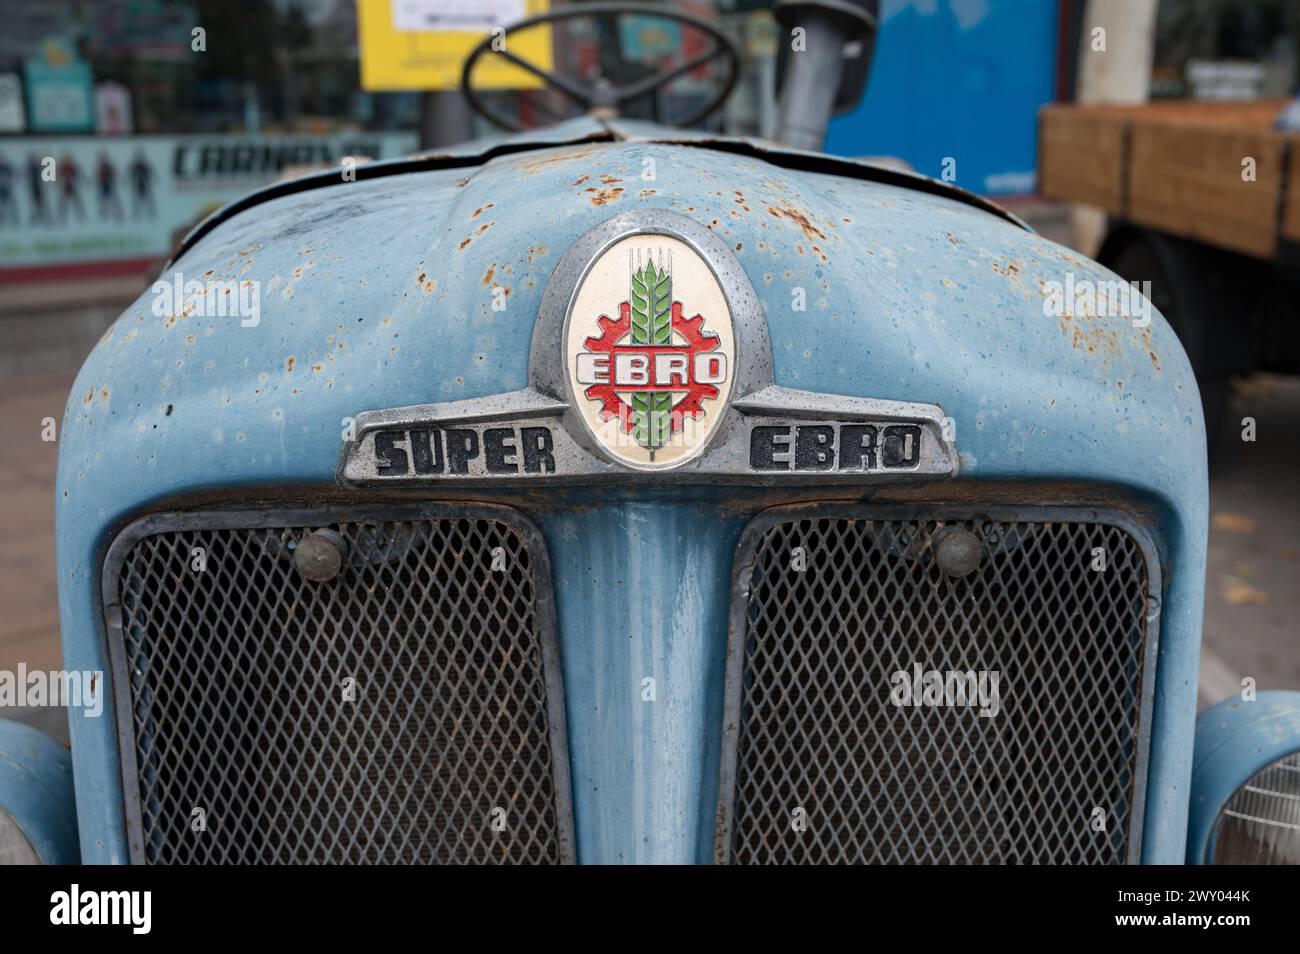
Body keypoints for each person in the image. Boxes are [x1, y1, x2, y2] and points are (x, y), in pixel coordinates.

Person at [129, 149, 155, 219]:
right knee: (136, 199)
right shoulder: (135, 166)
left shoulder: (144, 165)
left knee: (147, 199)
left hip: (144, 183)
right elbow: (131, 174)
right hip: (138, 184)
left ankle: (150, 213)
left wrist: (150, 180)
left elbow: (150, 173)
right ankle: (136, 214)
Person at [97, 151, 123, 221]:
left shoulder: (109, 165)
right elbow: (98, 175)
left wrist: (119, 178)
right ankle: (104, 213)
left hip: (109, 184)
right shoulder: (100, 166)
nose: (103, 159)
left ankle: (117, 214)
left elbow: (115, 172)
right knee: (103, 200)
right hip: (103, 184)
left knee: (113, 199)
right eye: (102, 158)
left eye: (104, 158)